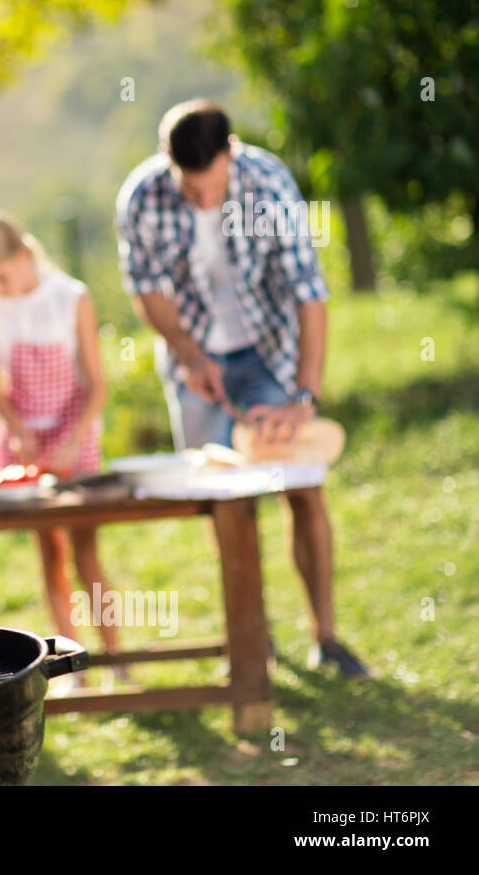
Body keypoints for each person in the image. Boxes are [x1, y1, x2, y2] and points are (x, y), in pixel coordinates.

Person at [115, 99, 367, 678]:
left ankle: (325, 637)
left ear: (231, 153)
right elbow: (147, 289)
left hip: (268, 353)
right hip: (194, 360)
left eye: (212, 187)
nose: (204, 200)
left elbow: (309, 292)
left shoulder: (269, 184)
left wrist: (304, 395)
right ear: (165, 160)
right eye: (190, 189)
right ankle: (254, 641)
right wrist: (188, 353)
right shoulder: (141, 197)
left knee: (302, 488)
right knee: (225, 499)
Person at [0, 209, 121, 678]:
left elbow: (97, 384)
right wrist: (17, 426)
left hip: (76, 433)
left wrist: (72, 440)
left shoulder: (71, 297)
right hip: (25, 440)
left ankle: (117, 660)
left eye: (4, 277)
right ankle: (74, 666)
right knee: (50, 554)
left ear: (25, 255)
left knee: (85, 547)